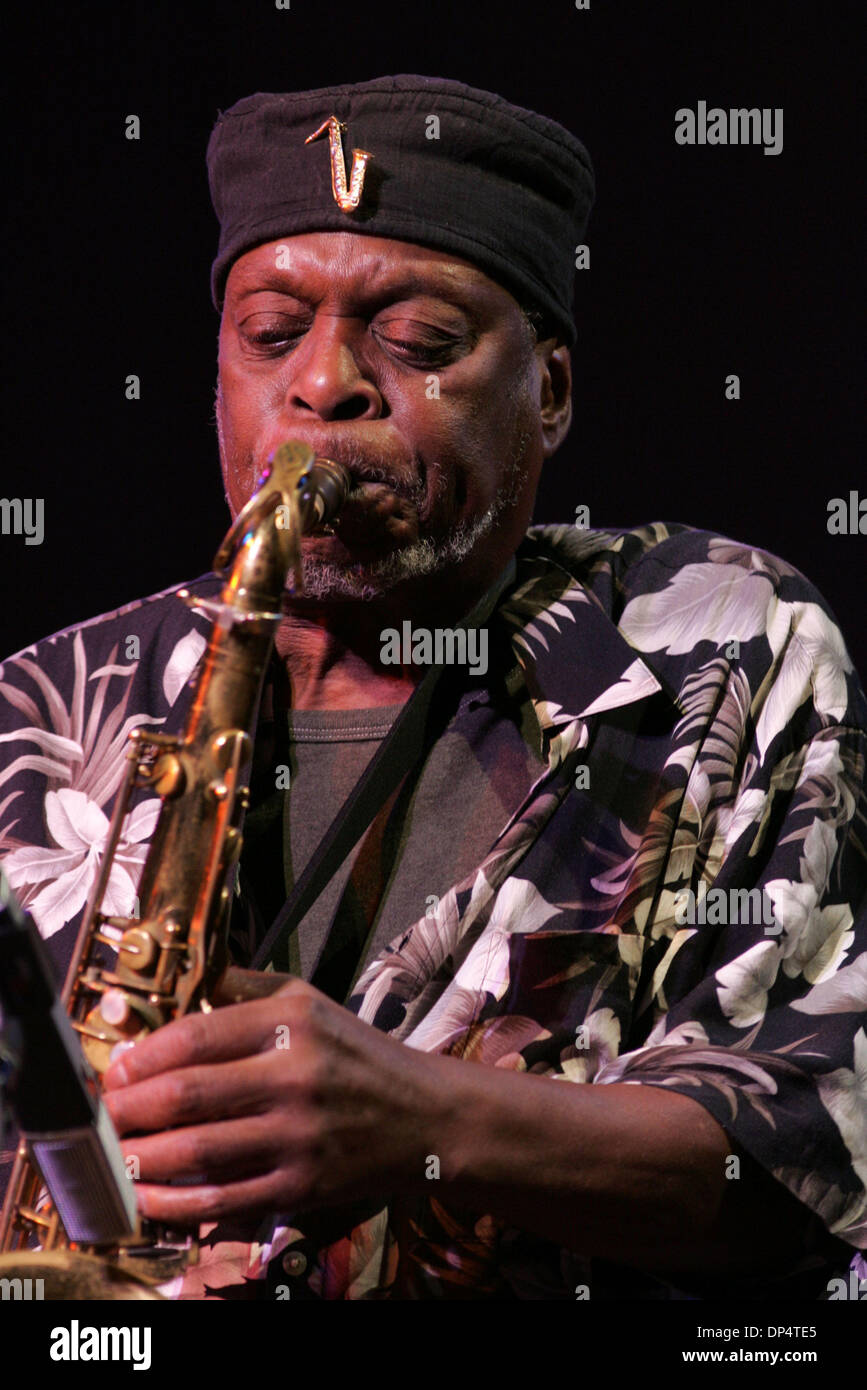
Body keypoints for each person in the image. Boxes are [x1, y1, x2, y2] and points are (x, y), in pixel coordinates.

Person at [0, 74, 864, 1301]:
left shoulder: (717, 642)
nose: (323, 385)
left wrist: (424, 1120)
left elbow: (813, 1148)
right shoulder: (40, 708)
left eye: (415, 341)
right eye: (269, 331)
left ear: (550, 392)